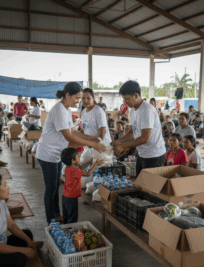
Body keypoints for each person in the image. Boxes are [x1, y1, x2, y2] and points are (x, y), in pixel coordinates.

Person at [35, 82, 105, 224]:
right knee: (51, 188)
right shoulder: (59, 110)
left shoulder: (66, 110)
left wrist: (90, 137)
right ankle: (51, 220)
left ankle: (56, 213)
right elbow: (68, 136)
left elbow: (72, 130)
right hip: (47, 154)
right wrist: (92, 144)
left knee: (55, 185)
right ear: (67, 95)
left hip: (55, 154)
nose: (78, 101)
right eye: (77, 98)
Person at [112, 80, 166, 175]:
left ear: (136, 96)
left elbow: (145, 138)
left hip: (154, 155)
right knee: (141, 184)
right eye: (124, 99)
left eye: (127, 99)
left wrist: (123, 146)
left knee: (150, 187)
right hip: (142, 154)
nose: (125, 102)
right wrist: (118, 141)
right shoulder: (133, 110)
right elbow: (133, 131)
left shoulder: (146, 110)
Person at [61, 148, 102, 224]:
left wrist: (89, 162)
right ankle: (71, 232)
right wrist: (95, 164)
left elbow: (79, 169)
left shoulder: (68, 168)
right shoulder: (75, 170)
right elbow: (88, 173)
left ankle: (65, 231)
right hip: (71, 198)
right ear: (73, 161)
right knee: (72, 218)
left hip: (65, 197)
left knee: (66, 216)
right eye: (78, 156)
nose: (79, 157)